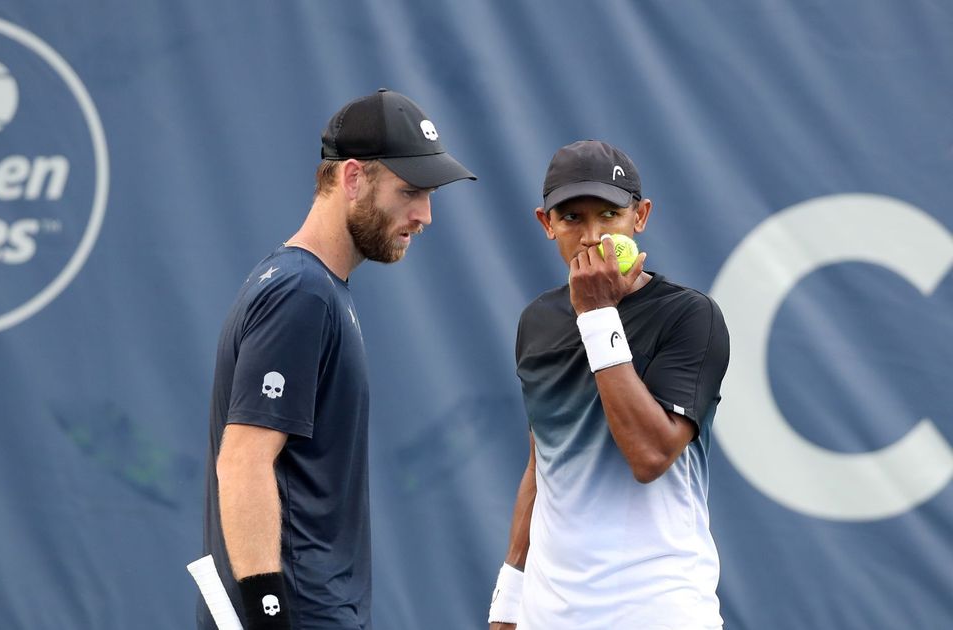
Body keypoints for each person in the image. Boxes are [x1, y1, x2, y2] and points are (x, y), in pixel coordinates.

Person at [197, 89, 475, 630]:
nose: (425, 215)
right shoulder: (301, 293)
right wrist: (268, 614)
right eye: (410, 192)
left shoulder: (313, 286)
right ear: (352, 179)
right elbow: (243, 461)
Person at [487, 140, 730, 629]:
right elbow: (542, 465)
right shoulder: (537, 321)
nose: (592, 236)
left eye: (609, 215)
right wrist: (509, 599)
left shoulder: (690, 317)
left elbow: (650, 456)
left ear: (639, 217)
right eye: (572, 218)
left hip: (659, 613)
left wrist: (597, 316)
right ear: (546, 223)